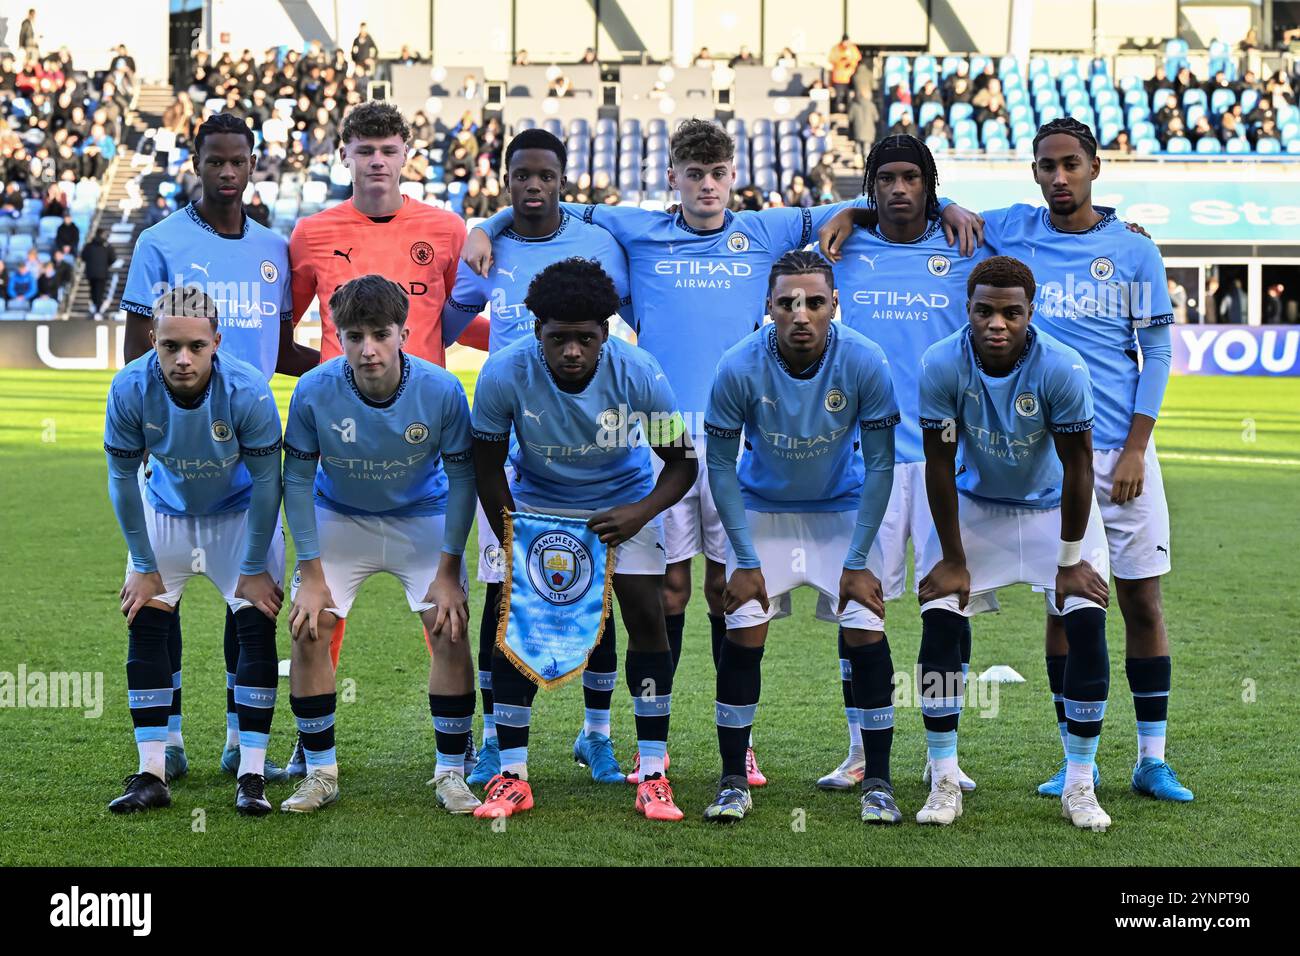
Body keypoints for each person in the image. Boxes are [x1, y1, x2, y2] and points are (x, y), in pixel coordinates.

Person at [464, 119, 982, 785]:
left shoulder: (766, 230)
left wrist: (948, 206)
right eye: (693, 174)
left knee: (730, 590)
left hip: (741, 442)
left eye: (718, 175)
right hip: (666, 443)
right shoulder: (640, 229)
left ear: (732, 176)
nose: (707, 187)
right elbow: (549, 201)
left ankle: (746, 750)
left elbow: (881, 199)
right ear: (671, 178)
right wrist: (488, 224)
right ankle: (661, 743)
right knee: (668, 591)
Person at [964, 119, 1188, 804]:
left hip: (1122, 455)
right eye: (1046, 167)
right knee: (1064, 604)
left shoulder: (1131, 251)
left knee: (1142, 599)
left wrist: (1138, 449)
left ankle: (1153, 758)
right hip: (1049, 460)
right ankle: (1075, 758)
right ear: (1033, 172)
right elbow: (950, 214)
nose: (1059, 178)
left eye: (1070, 165)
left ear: (1095, 166)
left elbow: (1157, 353)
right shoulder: (1014, 228)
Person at [119, 111, 312, 783]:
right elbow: (138, 349)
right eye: (215, 161)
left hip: (252, 455)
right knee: (157, 601)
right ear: (195, 163)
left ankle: (237, 736)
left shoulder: (273, 248)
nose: (227, 172)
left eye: (239, 160)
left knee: (248, 601)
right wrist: (146, 439)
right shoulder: (159, 240)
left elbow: (284, 351)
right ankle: (167, 741)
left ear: (254, 163)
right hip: (174, 453)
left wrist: (351, 369)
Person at [470, 257, 697, 821]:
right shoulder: (504, 372)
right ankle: (512, 775)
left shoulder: (639, 371)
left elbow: (681, 463)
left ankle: (651, 773)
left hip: (623, 501)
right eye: (559, 339)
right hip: (536, 503)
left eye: (586, 339)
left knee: (647, 618)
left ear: (607, 332)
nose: (572, 351)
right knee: (511, 622)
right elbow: (486, 462)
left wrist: (640, 513)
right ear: (536, 330)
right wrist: (512, 531)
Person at [441, 129, 632, 787]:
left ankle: (596, 737)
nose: (533, 186)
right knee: (503, 602)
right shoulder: (489, 250)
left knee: (596, 602)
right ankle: (496, 743)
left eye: (545, 176)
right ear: (505, 179)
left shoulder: (600, 242)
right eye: (521, 175)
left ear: (563, 179)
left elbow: (630, 319)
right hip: (513, 459)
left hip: (594, 458)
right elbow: (447, 321)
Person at [914, 255, 1113, 830]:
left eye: (1010, 312)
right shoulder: (941, 364)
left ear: (1031, 312)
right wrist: (953, 558)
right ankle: (944, 773)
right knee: (940, 618)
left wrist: (1070, 562)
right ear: (967, 309)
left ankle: (1080, 780)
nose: (996, 323)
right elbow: (938, 461)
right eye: (984, 310)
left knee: (1084, 620)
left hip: (1057, 509)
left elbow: (1080, 468)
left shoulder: (1063, 368)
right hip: (976, 507)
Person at [702, 251, 901, 824]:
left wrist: (859, 558)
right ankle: (733, 780)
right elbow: (720, 466)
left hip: (840, 515)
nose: (801, 314)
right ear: (768, 306)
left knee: (866, 632)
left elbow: (882, 467)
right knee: (744, 633)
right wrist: (742, 557)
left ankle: (879, 781)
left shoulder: (865, 360)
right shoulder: (738, 365)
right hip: (763, 516)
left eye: (814, 301)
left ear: (834, 304)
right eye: (787, 302)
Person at [814, 135, 987, 792]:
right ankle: (859, 748)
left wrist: (958, 205)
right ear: (869, 185)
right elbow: (789, 227)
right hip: (865, 462)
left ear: (930, 184)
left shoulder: (966, 244)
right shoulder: (841, 247)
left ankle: (944, 755)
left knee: (947, 605)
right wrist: (847, 213)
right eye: (884, 178)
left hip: (948, 462)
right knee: (859, 608)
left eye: (911, 177)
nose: (898, 189)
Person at [280, 275, 478, 814]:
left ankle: (451, 773)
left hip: (423, 518)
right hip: (340, 516)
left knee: (450, 625)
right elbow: (295, 482)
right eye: (354, 335)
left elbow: (463, 482)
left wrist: (448, 569)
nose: (368, 349)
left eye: (380, 334)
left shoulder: (441, 390)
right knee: (309, 626)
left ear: (404, 333)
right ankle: (320, 772)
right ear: (337, 335)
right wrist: (311, 574)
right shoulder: (313, 390)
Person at [103, 286, 284, 816]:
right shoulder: (130, 387)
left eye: (196, 347)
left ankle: (249, 772)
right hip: (164, 512)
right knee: (146, 622)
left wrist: (253, 568)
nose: (183, 359)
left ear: (216, 342)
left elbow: (269, 483)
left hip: (239, 514)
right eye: (170, 346)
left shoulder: (248, 391)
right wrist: (142, 563)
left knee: (255, 623)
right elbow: (120, 477)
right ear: (152, 340)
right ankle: (152, 772)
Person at [290, 101, 466, 368]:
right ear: (343, 155)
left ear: (405, 155)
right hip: (343, 402)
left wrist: (528, 338)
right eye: (365, 151)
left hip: (423, 400)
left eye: (388, 151)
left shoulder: (448, 229)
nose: (377, 161)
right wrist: (330, 371)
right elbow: (280, 329)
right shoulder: (310, 233)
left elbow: (462, 321)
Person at [80, 230, 117, 318]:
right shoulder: (107, 246)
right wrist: (106, 264)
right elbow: (113, 258)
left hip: (91, 272)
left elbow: (83, 256)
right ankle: (97, 310)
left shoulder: (89, 245)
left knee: (93, 290)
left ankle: (95, 308)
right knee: (100, 292)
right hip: (102, 273)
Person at [829, 34, 862, 115]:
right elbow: (831, 59)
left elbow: (857, 58)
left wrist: (850, 62)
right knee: (838, 97)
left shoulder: (852, 48)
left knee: (849, 96)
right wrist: (841, 60)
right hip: (838, 78)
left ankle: (848, 111)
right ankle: (837, 111)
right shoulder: (836, 48)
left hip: (849, 77)